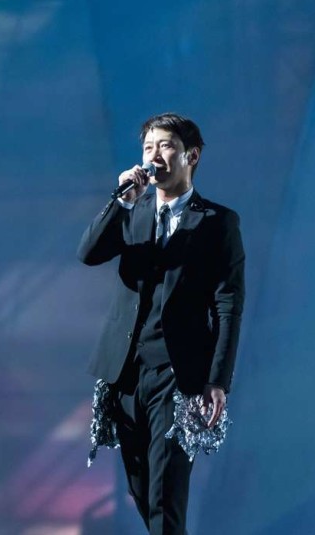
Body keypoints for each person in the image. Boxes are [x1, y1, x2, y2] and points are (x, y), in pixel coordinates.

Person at [77, 113, 245, 534]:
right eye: (149, 147)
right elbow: (88, 252)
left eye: (166, 146)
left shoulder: (217, 222)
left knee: (166, 498)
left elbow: (228, 306)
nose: (155, 156)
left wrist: (217, 381)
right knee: (143, 494)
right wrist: (121, 201)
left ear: (191, 155)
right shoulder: (132, 210)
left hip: (177, 376)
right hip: (126, 375)